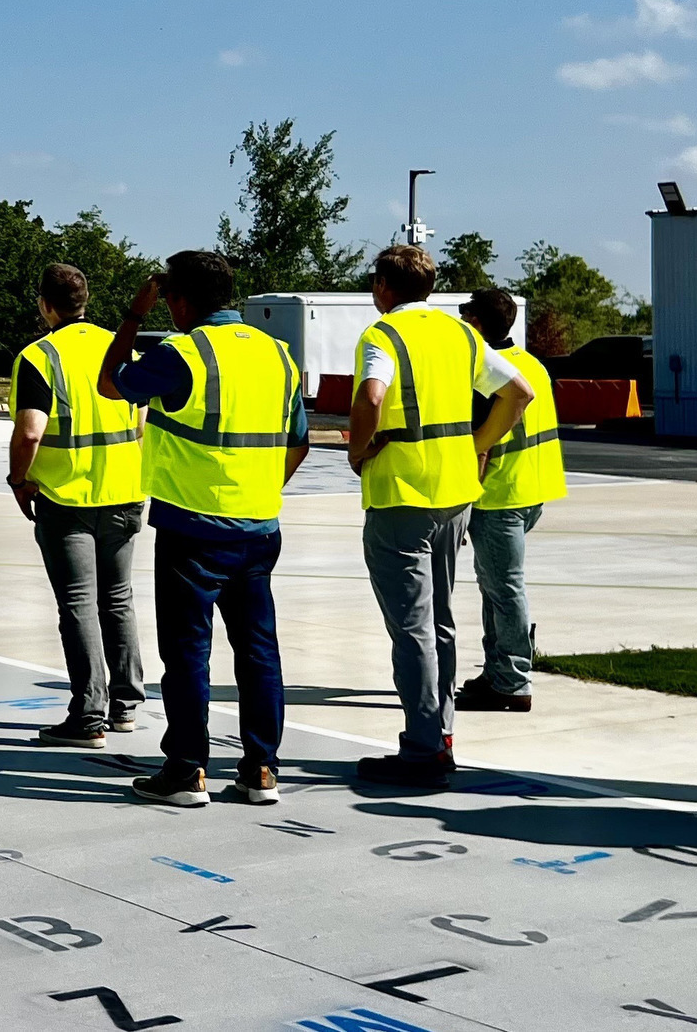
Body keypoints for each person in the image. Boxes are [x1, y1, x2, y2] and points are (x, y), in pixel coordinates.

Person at [96, 250, 307, 808]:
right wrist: (257, 488)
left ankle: (187, 770)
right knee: (258, 651)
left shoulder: (182, 352)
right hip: (259, 527)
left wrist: (134, 318)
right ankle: (261, 769)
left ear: (179, 299)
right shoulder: (278, 355)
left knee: (189, 654)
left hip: (192, 528)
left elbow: (110, 384)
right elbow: (299, 441)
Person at [347, 246, 534, 788]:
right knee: (441, 620)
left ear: (384, 286)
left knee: (411, 628)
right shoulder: (461, 335)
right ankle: (442, 736)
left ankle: (423, 749)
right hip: (455, 492)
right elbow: (516, 392)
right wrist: (477, 444)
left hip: (402, 494)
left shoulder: (383, 335)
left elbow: (370, 395)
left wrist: (358, 451)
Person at [6, 263, 146, 750]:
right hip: (125, 492)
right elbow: (142, 419)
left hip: (67, 498)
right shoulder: (121, 347)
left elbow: (29, 432)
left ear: (46, 305)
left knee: (79, 604)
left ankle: (88, 714)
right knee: (119, 597)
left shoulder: (41, 357)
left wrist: (18, 480)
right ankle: (126, 705)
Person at [456, 287, 565, 715]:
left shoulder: (487, 373)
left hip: (499, 495)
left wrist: (462, 501)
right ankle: (500, 669)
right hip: (534, 489)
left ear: (478, 323)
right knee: (497, 587)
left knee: (503, 589)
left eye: (466, 316)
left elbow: (481, 445)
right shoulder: (530, 364)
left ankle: (513, 680)